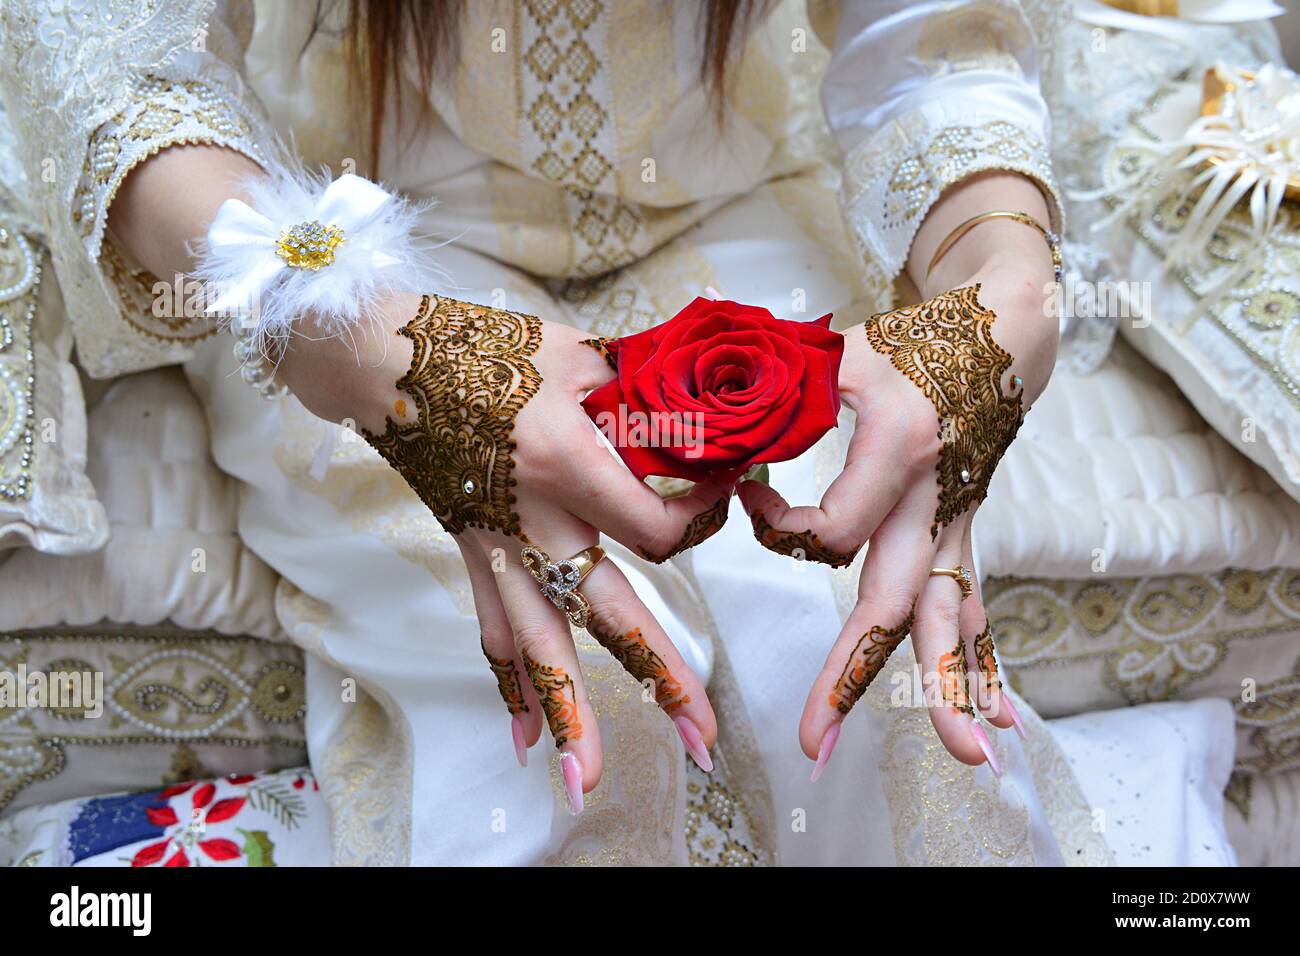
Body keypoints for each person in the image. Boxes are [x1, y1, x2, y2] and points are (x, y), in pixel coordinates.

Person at [0, 0, 1109, 865]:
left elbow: (933, 48)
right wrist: (359, 334)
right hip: (348, 236)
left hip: (734, 197)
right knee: (567, 711)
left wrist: (1002, 281)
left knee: (874, 674)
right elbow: (132, 73)